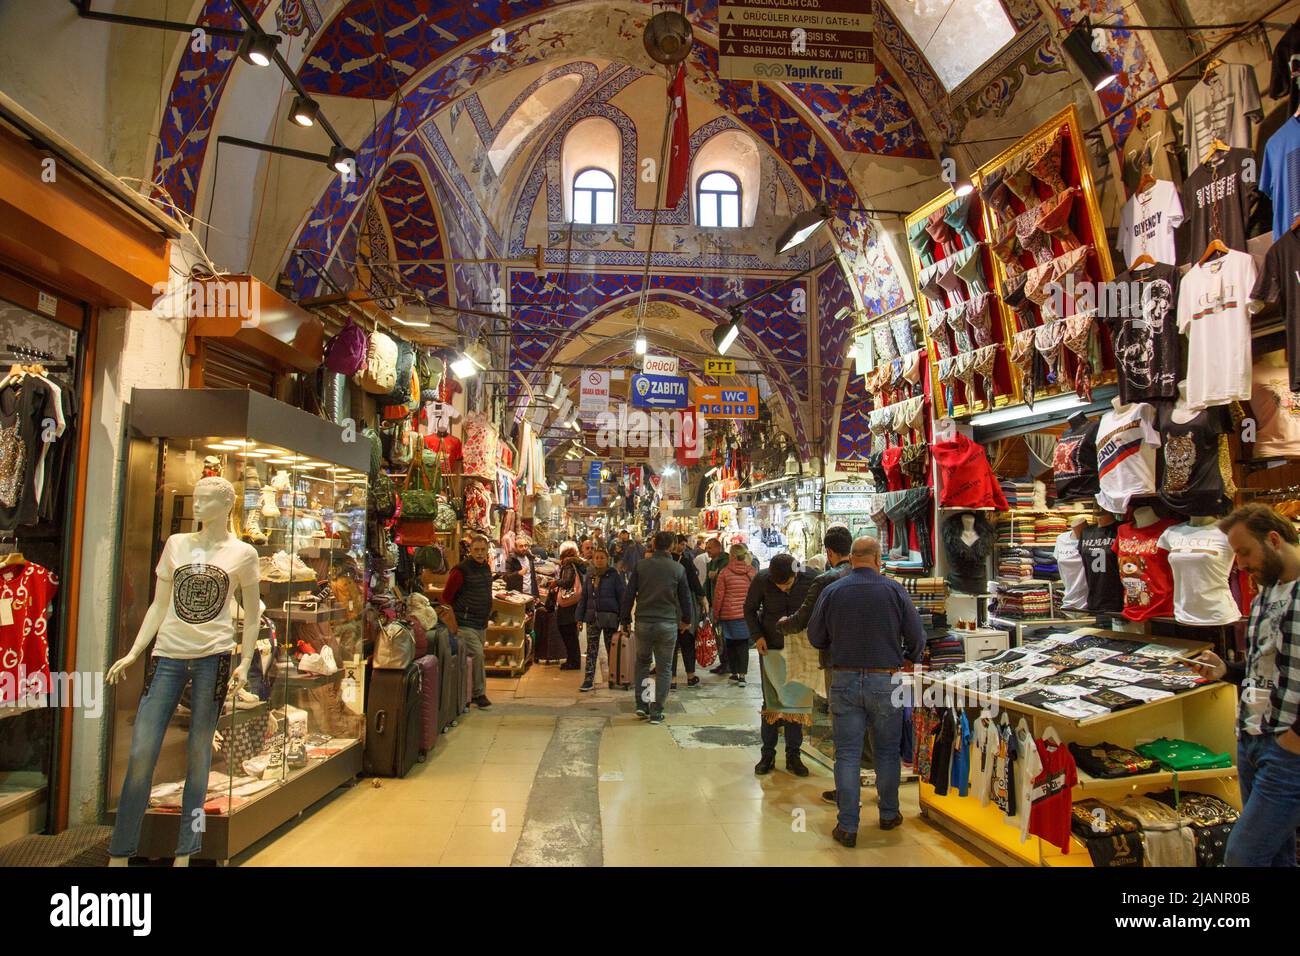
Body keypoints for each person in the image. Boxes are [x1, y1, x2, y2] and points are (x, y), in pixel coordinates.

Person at [1191, 504, 1300, 866]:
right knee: (1277, 856)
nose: (1240, 564)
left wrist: (1295, 737)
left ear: (1273, 539)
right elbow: (1267, 665)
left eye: (1244, 552)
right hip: (1253, 738)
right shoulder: (1267, 591)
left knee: (1243, 855)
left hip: (1288, 748)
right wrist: (1227, 670)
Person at [808, 537, 924, 847]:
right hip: (885, 679)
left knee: (847, 754)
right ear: (876, 558)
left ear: (853, 558)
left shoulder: (832, 590)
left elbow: (815, 635)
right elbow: (917, 635)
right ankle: (889, 814)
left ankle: (847, 826)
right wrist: (910, 658)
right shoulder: (894, 589)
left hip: (844, 678)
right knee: (887, 751)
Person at [778, 525, 854, 804]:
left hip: (838, 662)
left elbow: (805, 619)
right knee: (873, 732)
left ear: (829, 552)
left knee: (844, 728)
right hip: (876, 665)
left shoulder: (825, 581)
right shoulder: (876, 579)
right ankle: (886, 801)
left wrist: (783, 626)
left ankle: (847, 793)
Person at [746, 553, 817, 776]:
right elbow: (749, 608)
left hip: (800, 650)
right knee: (772, 703)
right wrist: (757, 636)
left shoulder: (812, 578)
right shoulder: (761, 579)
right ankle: (767, 754)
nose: (784, 589)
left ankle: (793, 756)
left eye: (787, 584)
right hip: (771, 647)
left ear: (795, 573)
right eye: (779, 586)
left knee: (796, 704)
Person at [620, 530, 692, 724]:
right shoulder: (677, 569)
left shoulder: (641, 566)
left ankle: (642, 705)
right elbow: (685, 597)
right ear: (671, 546)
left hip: (643, 621)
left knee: (642, 664)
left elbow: (629, 594)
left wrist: (625, 619)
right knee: (664, 668)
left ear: (653, 545)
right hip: (667, 623)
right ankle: (657, 710)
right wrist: (687, 619)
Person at [437, 534, 494, 709]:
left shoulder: (486, 568)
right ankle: (479, 693)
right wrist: (453, 620)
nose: (479, 553)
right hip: (465, 623)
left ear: (486, 551)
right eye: (476, 550)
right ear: (470, 550)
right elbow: (446, 597)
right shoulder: (460, 571)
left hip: (480, 623)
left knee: (470, 659)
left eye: (482, 550)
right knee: (477, 655)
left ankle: (465, 694)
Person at [576, 544, 624, 691]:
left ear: (607, 559)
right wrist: (579, 617)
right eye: (597, 557)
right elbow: (584, 597)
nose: (599, 560)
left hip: (610, 618)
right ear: (593, 560)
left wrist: (624, 619)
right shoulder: (590, 575)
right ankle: (588, 679)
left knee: (612, 649)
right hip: (592, 618)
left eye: (602, 557)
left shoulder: (614, 575)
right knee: (591, 650)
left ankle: (613, 678)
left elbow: (621, 597)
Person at [712, 543, 757, 685]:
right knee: (743, 644)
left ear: (731, 556)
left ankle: (734, 672)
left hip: (729, 613)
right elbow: (755, 594)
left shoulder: (724, 572)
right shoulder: (751, 572)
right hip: (746, 614)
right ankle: (742, 675)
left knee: (730, 643)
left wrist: (715, 614)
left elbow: (719, 596)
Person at [670, 533, 706, 688]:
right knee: (687, 642)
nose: (682, 547)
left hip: (668, 608)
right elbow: (694, 582)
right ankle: (690, 676)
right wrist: (702, 598)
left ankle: (672, 679)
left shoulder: (661, 563)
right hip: (684, 607)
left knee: (670, 644)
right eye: (680, 544)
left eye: (684, 544)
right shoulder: (684, 561)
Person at [546, 541, 584, 670]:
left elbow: (567, 582)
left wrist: (556, 582)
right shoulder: (576, 564)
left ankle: (572, 661)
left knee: (567, 631)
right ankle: (574, 660)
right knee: (571, 633)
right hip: (574, 604)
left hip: (568, 605)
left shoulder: (568, 565)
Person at [511, 534, 540, 598]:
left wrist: (536, 596)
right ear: (516, 548)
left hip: (530, 594)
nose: (524, 548)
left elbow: (533, 579)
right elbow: (505, 577)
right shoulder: (511, 559)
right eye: (521, 546)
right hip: (517, 595)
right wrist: (518, 573)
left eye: (525, 546)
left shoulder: (529, 558)